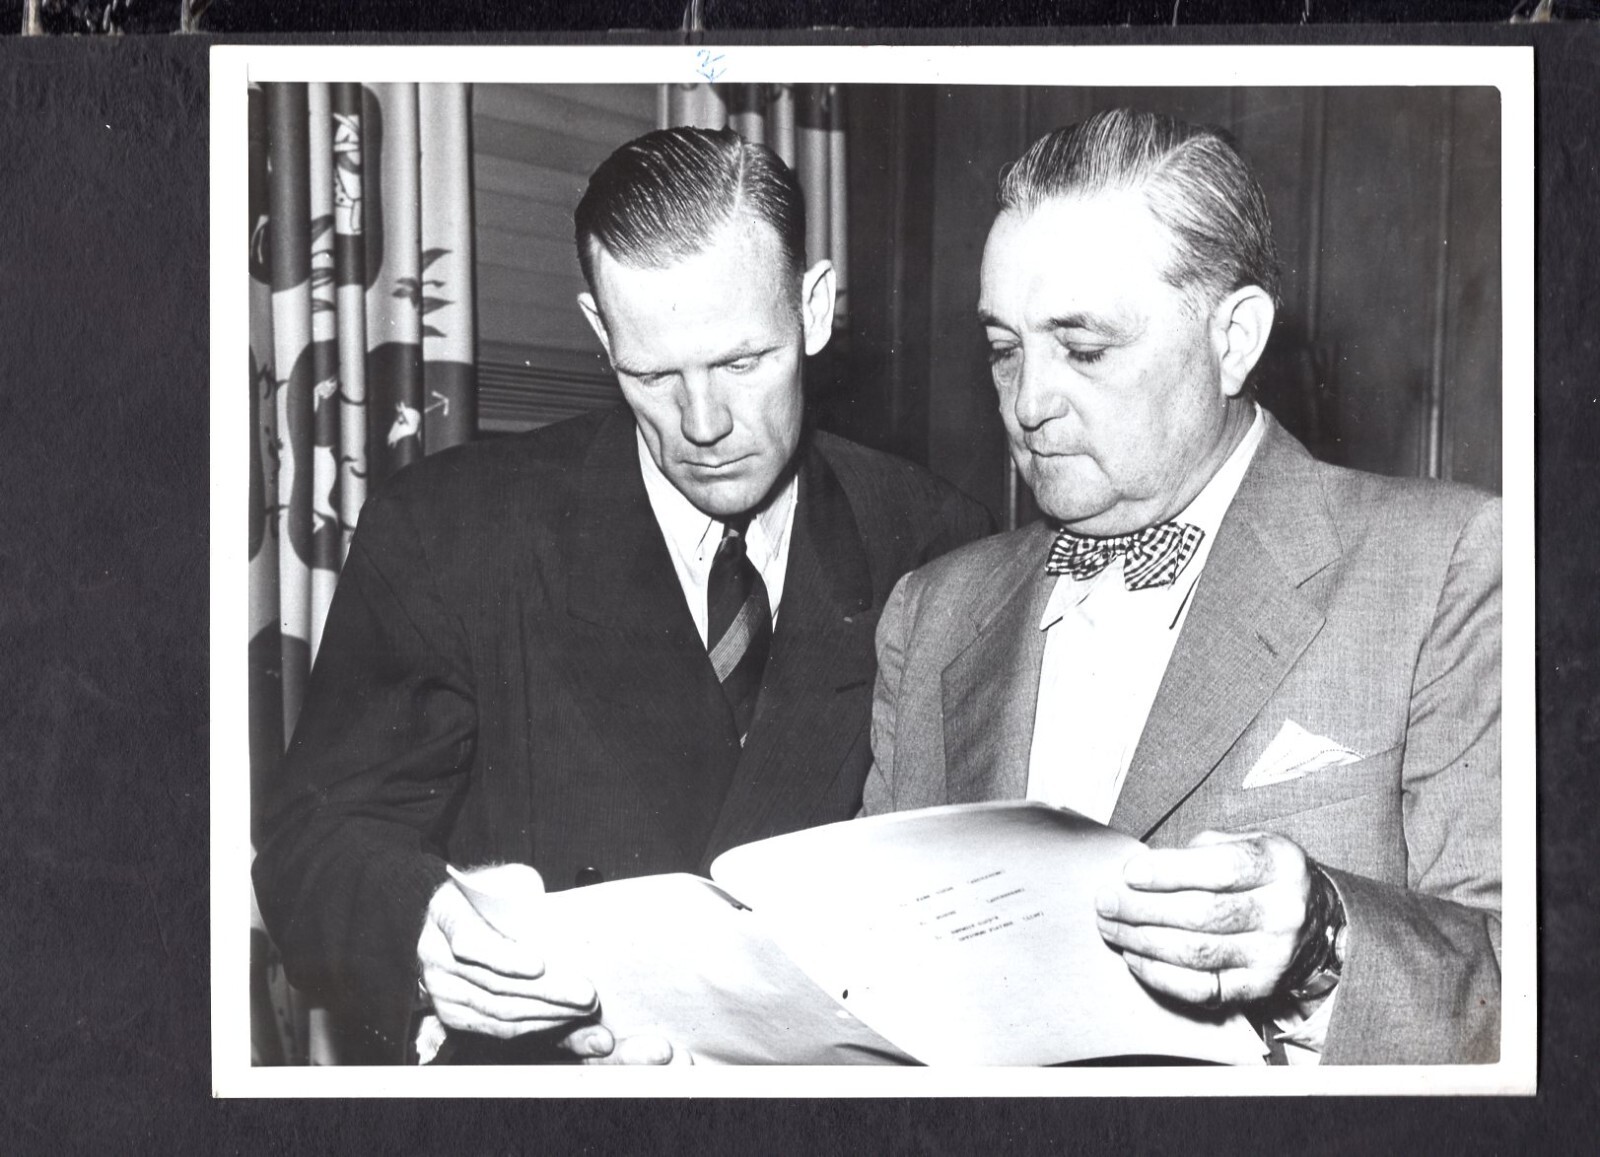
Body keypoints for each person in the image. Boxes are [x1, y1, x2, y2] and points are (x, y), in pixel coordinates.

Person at [252, 126, 990, 1065]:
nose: (705, 423)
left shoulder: (940, 545)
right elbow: (313, 842)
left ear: (815, 306)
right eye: (652, 374)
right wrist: (421, 931)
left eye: (742, 361)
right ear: (600, 335)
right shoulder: (450, 533)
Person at [863, 109, 1500, 1065]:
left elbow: (1530, 996)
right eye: (1004, 349)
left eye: (1083, 349)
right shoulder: (932, 612)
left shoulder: (1446, 563)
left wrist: (1321, 943)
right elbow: (871, 981)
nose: (1029, 403)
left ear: (1234, 338)